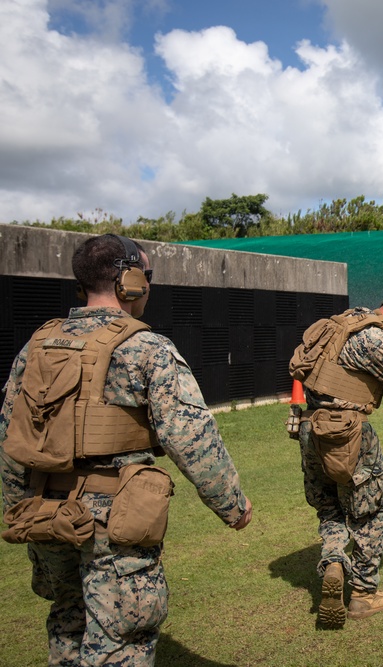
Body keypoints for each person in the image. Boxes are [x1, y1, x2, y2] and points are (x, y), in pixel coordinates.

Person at [0, 234, 253, 666]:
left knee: (68, 622)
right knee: (121, 639)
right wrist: (233, 505)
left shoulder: (37, 345)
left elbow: (11, 434)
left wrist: (17, 506)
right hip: (111, 520)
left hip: (46, 513)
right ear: (130, 281)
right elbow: (191, 436)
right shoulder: (146, 347)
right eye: (147, 276)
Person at [291, 282, 383, 628]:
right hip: (348, 434)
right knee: (369, 514)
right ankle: (362, 595)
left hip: (311, 430)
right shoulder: (375, 340)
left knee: (330, 509)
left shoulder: (348, 320)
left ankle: (335, 563)